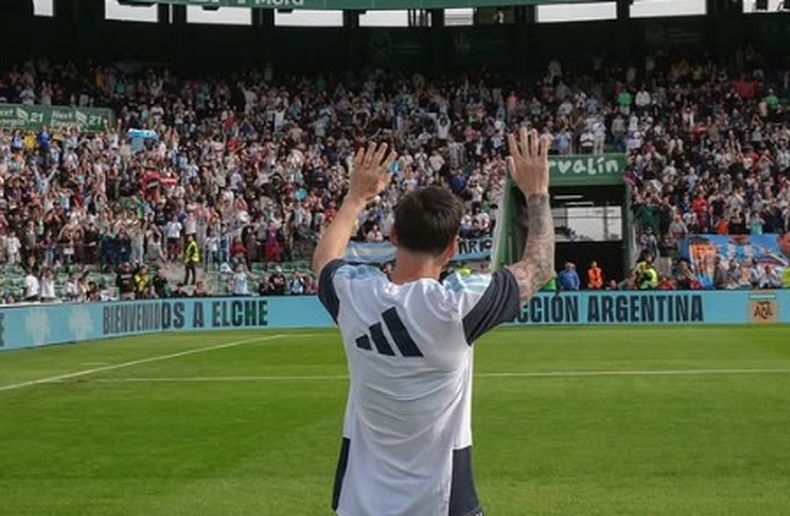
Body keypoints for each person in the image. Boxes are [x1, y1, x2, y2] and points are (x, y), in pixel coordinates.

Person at [313, 132, 554, 516]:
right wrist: (536, 192)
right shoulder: (457, 306)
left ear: (392, 235)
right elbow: (539, 268)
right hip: (441, 503)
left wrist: (356, 197)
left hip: (359, 502)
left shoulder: (355, 295)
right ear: (454, 246)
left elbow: (325, 260)